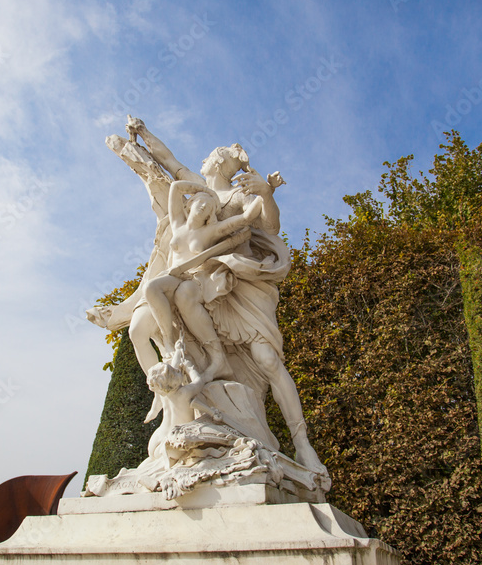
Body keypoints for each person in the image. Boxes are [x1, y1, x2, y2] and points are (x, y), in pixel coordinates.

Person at [100, 117, 328, 479]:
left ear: (220, 163)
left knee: (268, 360)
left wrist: (266, 194)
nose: (203, 161)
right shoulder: (199, 191)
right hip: (202, 283)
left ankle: (303, 447)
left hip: (240, 282)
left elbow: (269, 227)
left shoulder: (240, 194)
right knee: (155, 319)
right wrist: (141, 134)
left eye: (209, 158)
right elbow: (168, 160)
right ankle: (185, 388)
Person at [143, 180, 263, 385]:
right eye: (200, 203)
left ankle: (217, 357)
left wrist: (265, 192)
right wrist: (206, 191)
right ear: (190, 205)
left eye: (208, 207)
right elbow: (176, 188)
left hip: (196, 278)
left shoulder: (212, 232)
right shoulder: (178, 223)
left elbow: (246, 217)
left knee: (184, 295)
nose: (203, 207)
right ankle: (170, 343)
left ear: (210, 216)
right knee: (151, 288)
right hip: (173, 276)